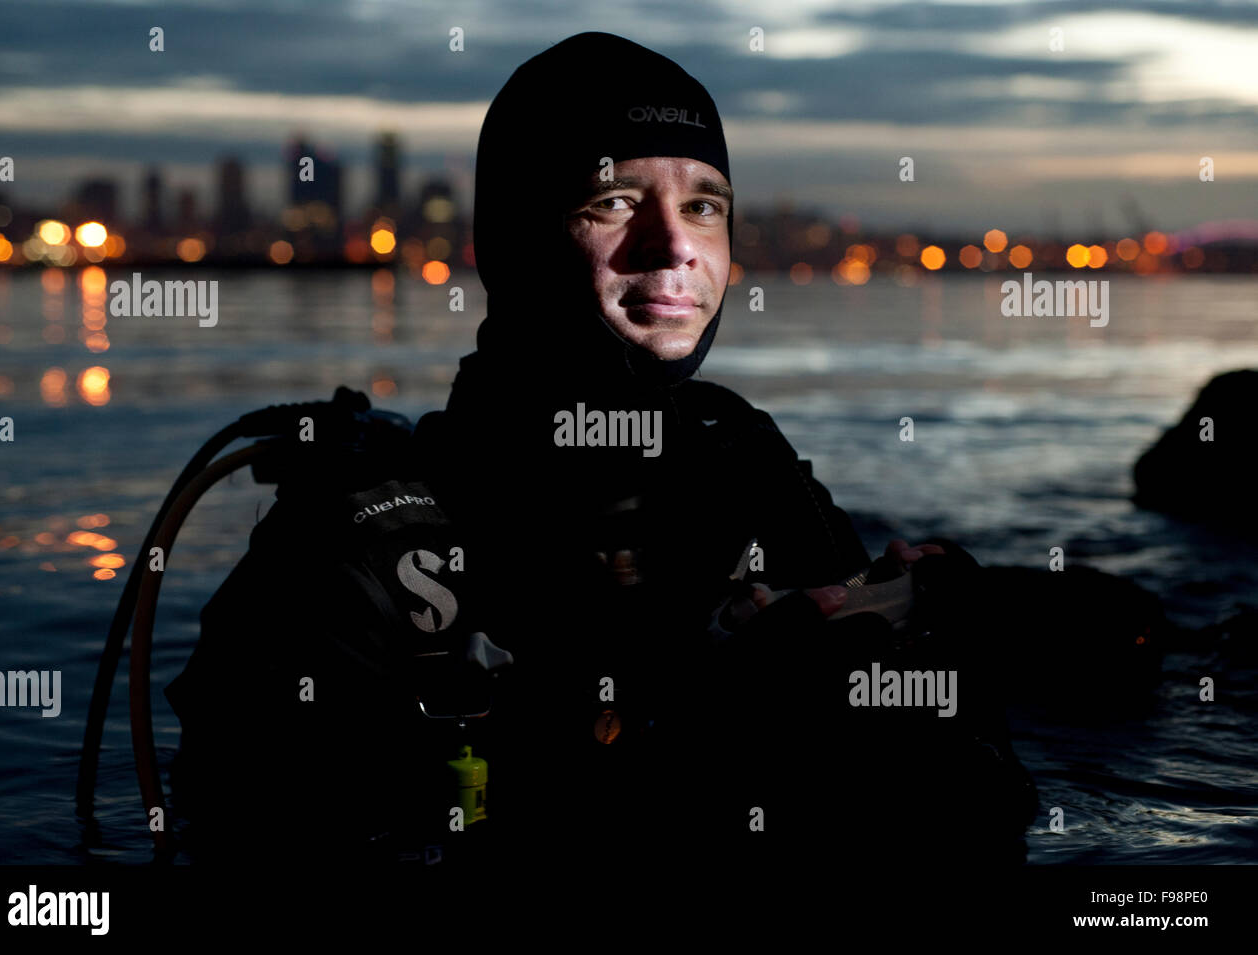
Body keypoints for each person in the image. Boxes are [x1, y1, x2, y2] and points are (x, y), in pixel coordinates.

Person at [166, 32, 1036, 871]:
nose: (675, 247)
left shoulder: (740, 461)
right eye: (612, 202)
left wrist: (948, 686)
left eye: (704, 205)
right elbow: (257, 842)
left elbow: (970, 817)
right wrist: (704, 744)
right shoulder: (360, 555)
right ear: (513, 239)